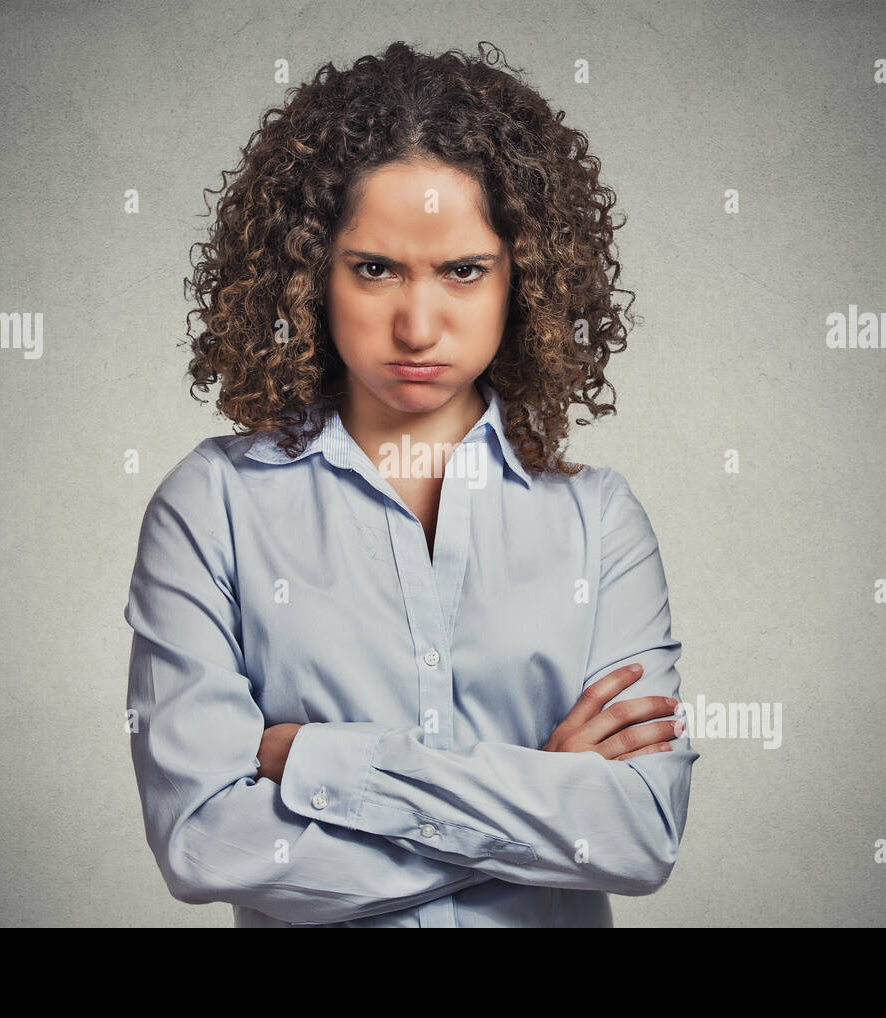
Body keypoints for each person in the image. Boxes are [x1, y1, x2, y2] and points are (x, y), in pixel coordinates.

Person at [124, 40, 699, 927]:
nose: (418, 324)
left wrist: (320, 768)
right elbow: (205, 841)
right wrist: (542, 803)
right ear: (310, 269)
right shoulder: (213, 508)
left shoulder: (599, 522)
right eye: (376, 268)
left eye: (463, 271)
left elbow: (639, 834)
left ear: (525, 278)